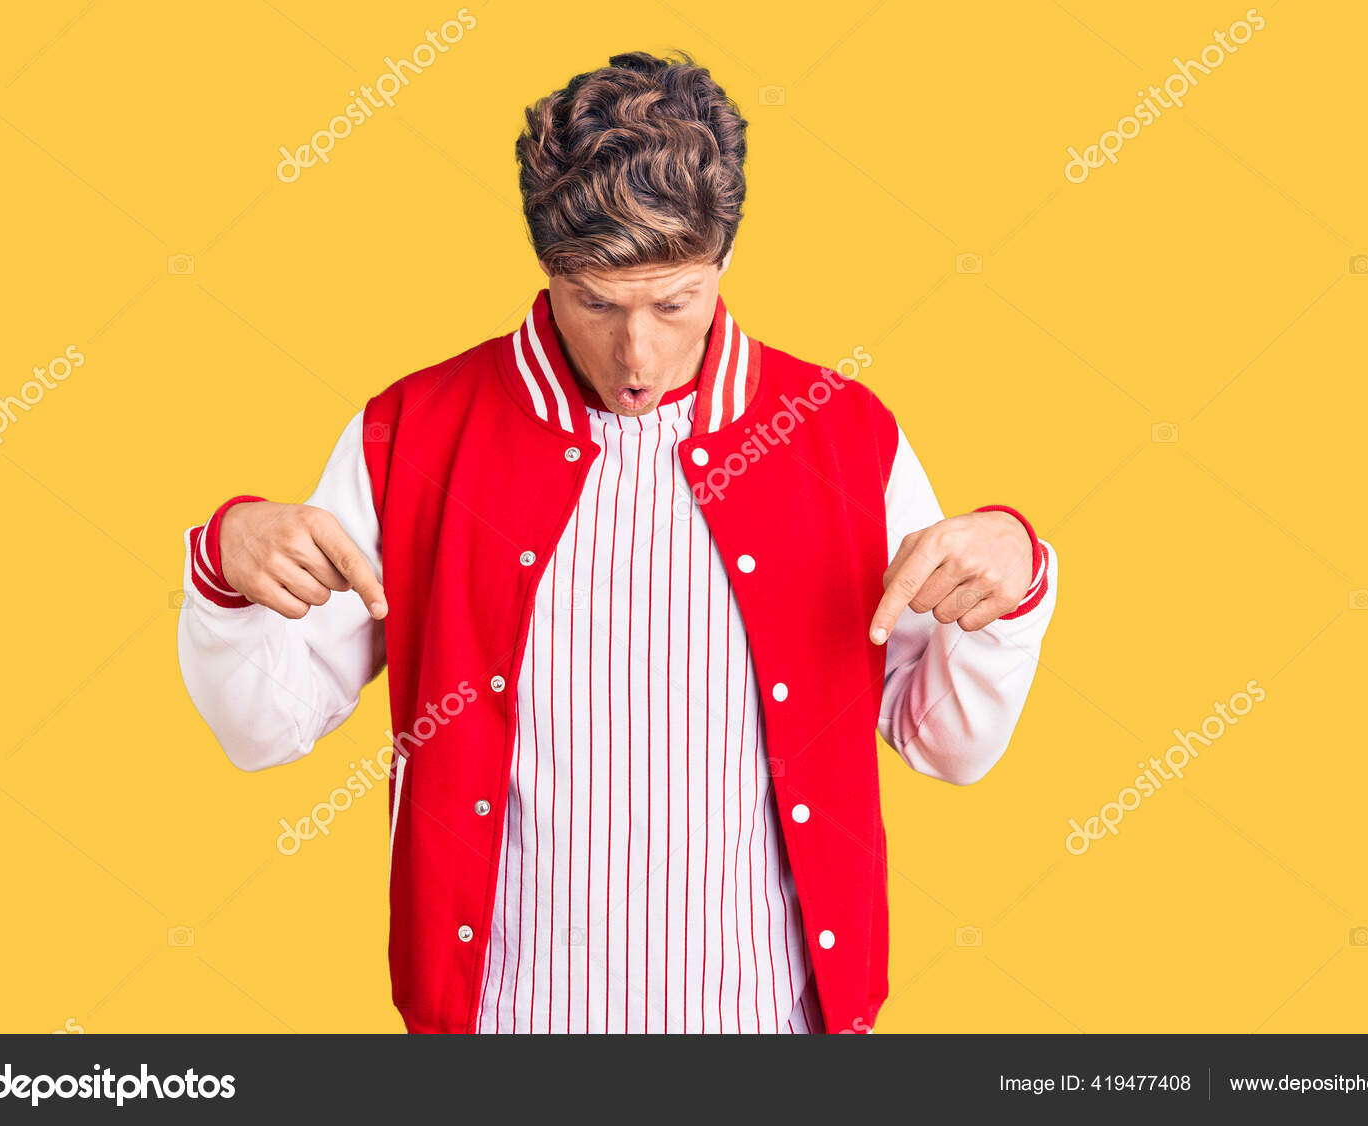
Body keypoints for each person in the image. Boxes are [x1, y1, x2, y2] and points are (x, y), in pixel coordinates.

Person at [177, 50, 1057, 1034]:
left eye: (673, 303)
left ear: (724, 260)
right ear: (546, 269)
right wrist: (225, 570)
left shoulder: (842, 435)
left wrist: (1011, 590)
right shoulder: (412, 434)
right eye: (595, 302)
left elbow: (948, 745)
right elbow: (263, 728)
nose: (636, 355)